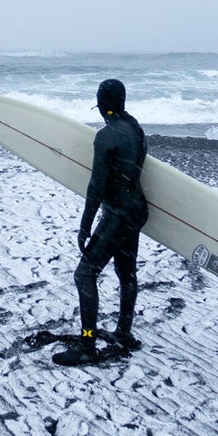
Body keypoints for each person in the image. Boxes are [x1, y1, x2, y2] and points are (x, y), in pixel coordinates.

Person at [53, 79, 149, 366]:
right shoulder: (135, 129)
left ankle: (87, 344)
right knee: (126, 273)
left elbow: (96, 185)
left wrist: (85, 226)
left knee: (84, 275)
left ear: (102, 103)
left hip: (118, 214)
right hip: (136, 210)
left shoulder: (106, 136)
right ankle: (124, 333)